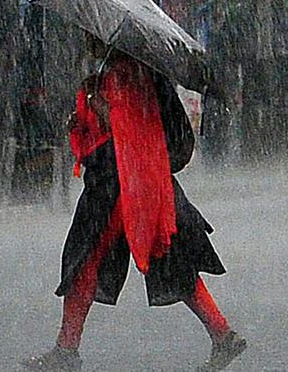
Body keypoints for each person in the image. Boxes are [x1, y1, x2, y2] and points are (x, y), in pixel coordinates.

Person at [25, 34, 246, 372]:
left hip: (118, 187)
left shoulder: (122, 74)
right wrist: (87, 118)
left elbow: (125, 131)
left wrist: (102, 110)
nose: (85, 40)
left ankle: (66, 351)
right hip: (148, 182)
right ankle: (221, 333)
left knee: (84, 261)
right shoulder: (138, 73)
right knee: (171, 260)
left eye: (89, 36)